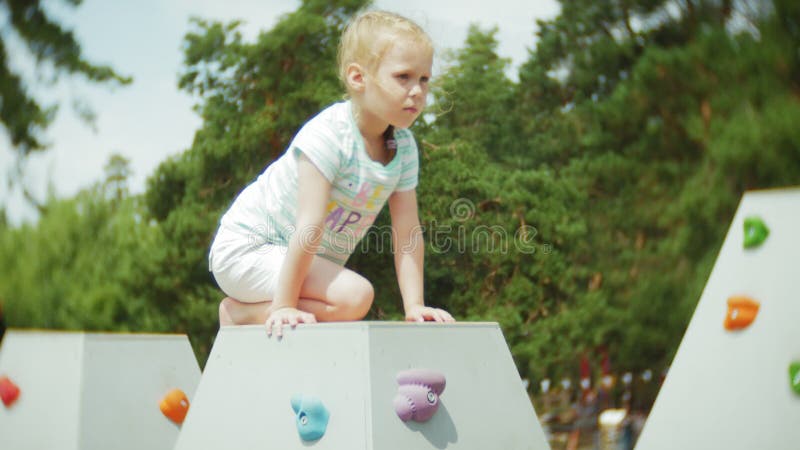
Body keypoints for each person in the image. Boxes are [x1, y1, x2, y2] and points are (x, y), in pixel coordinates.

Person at [208, 10, 455, 337]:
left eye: (424, 79)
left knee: (349, 305)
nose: (417, 91)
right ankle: (243, 314)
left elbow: (407, 233)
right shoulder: (329, 135)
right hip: (248, 249)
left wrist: (415, 306)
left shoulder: (404, 149)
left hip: (295, 263)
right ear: (358, 78)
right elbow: (308, 225)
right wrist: (283, 307)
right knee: (356, 295)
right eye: (403, 77)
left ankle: (242, 313)